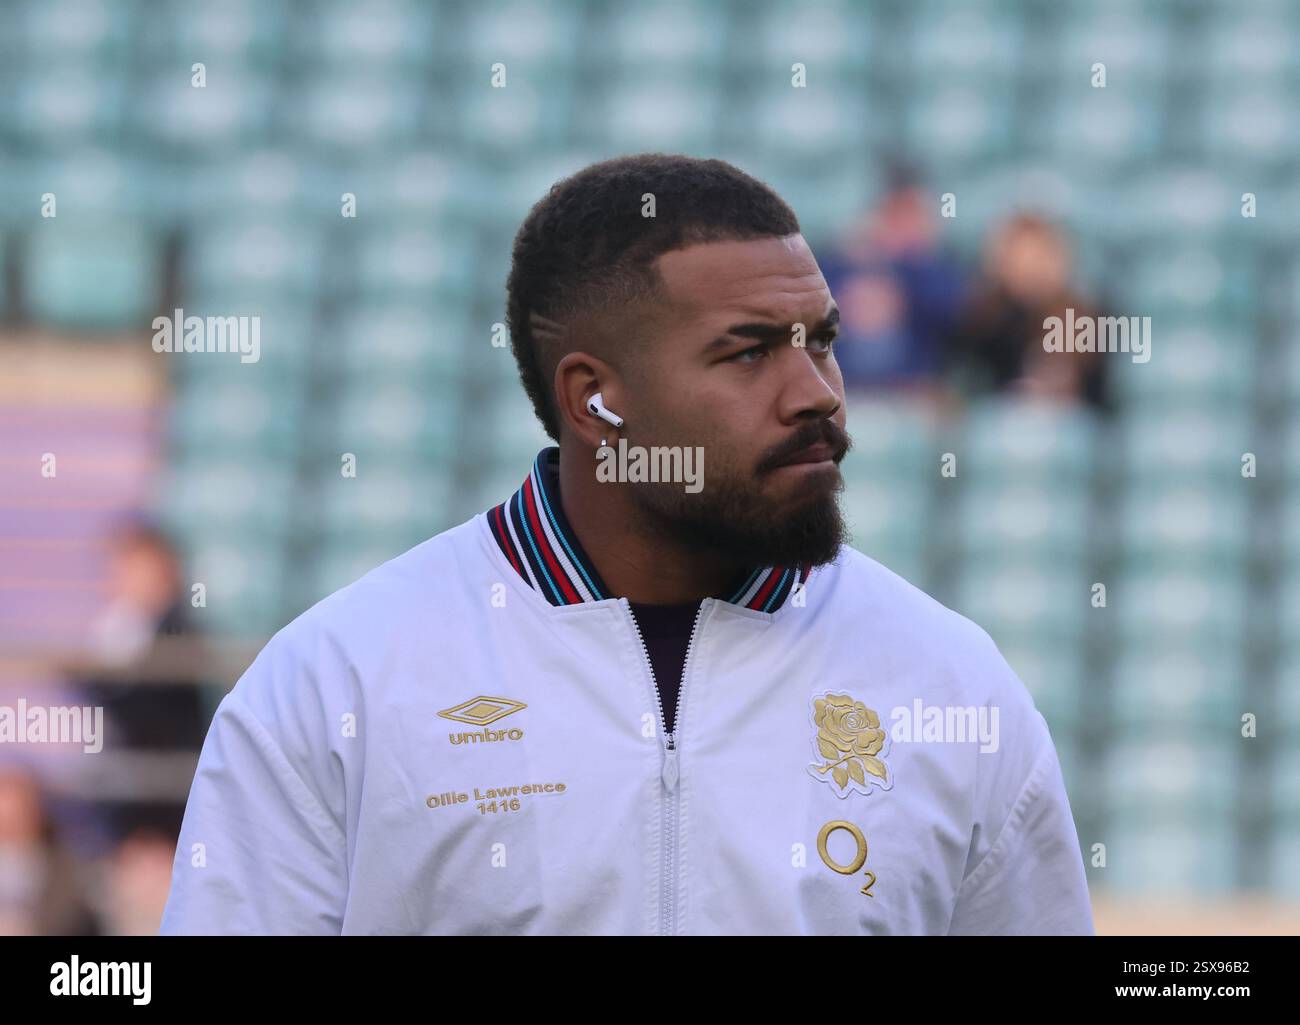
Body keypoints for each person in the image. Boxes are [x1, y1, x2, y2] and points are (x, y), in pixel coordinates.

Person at [160, 154, 1093, 935]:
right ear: (595, 401)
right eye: (750, 351)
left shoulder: (952, 686)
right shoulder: (337, 687)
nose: (818, 392)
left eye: (821, 341)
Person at [947, 212, 1111, 410]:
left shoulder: (1087, 320)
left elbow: (1102, 401)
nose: (1029, 268)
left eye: (1037, 256)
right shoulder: (981, 324)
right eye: (1020, 258)